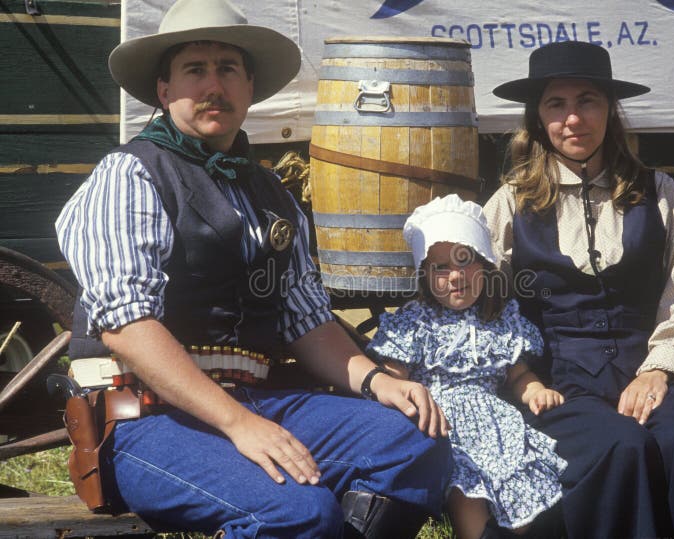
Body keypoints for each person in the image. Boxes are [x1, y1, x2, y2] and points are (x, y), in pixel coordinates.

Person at [54, 0, 453, 537]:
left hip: (260, 401)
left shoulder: (272, 193)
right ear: (165, 91)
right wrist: (239, 425)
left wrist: (374, 379)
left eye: (228, 70)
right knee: (298, 513)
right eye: (195, 71)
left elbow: (307, 320)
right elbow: (128, 330)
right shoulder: (129, 176)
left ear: (249, 87)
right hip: (148, 421)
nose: (213, 86)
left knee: (414, 445)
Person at [484, 40, 674, 538]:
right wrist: (523, 381)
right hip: (559, 384)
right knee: (623, 446)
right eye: (557, 104)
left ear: (610, 111)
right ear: (538, 119)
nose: (573, 119)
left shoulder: (660, 193)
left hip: (648, 368)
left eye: (587, 101)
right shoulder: (511, 204)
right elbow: (483, 311)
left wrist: (660, 371)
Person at [366, 194, 568, 539]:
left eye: (466, 262)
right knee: (466, 489)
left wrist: (533, 390)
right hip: (440, 426)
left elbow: (517, 373)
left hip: (496, 426)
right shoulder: (416, 321)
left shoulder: (500, 318)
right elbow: (393, 378)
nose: (455, 276)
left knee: (520, 479)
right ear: (425, 274)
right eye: (441, 268)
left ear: (486, 264)